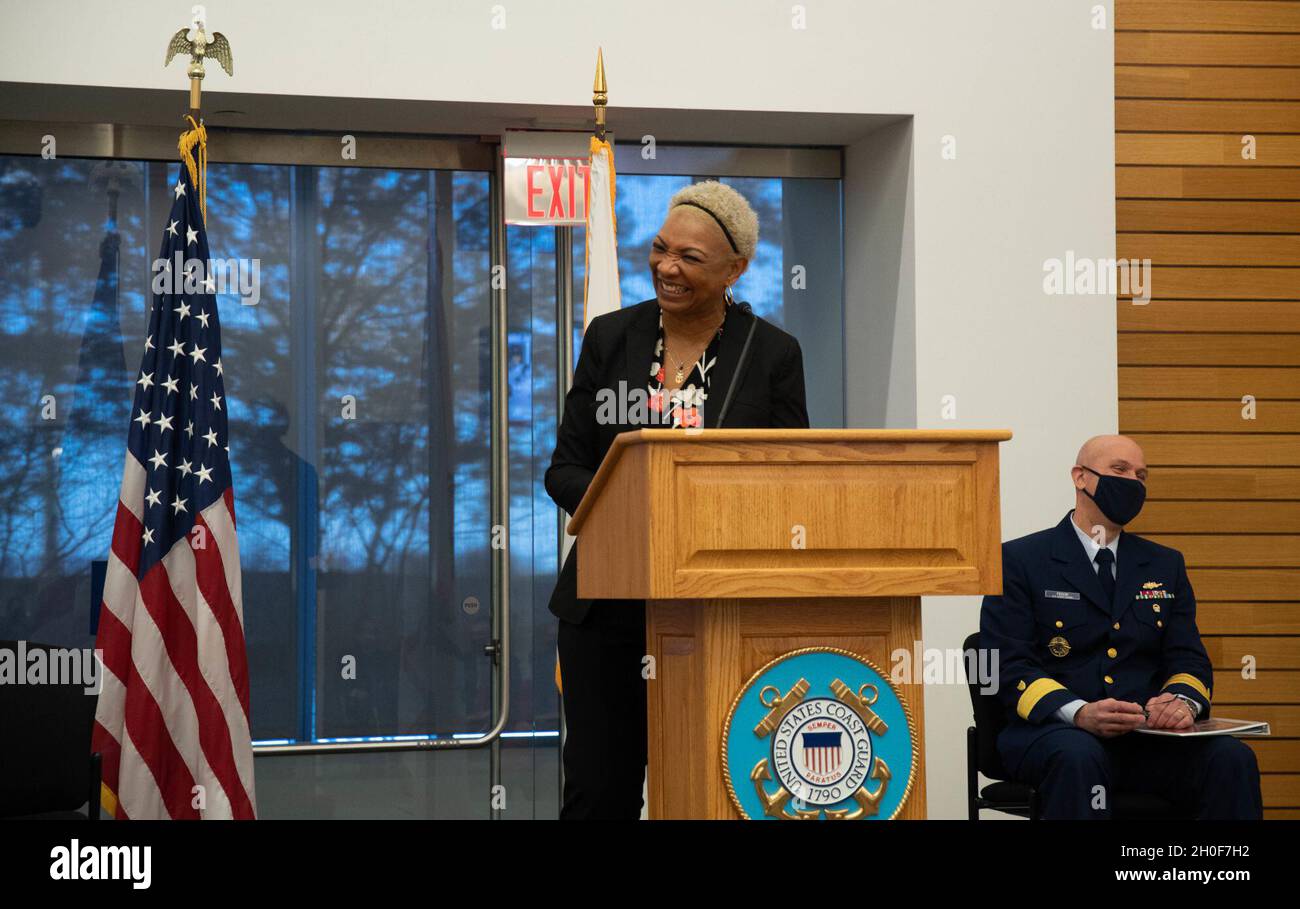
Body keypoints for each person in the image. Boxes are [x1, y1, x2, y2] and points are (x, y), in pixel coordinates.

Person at [545, 180, 810, 819]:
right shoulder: (610, 338)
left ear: (735, 269)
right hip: (606, 605)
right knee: (598, 791)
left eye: (690, 258)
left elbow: (790, 476)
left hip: (719, 607)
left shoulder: (771, 352)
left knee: (711, 787)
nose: (667, 267)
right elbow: (564, 469)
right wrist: (640, 504)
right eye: (661, 249)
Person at [979, 434, 1262, 819]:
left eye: (1141, 475)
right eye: (1119, 470)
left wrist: (1180, 702)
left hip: (1145, 740)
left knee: (1231, 759)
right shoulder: (1019, 560)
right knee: (1080, 756)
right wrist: (1079, 712)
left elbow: (1188, 658)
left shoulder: (1164, 565)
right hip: (1053, 735)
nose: (1132, 482)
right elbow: (1005, 666)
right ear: (1081, 477)